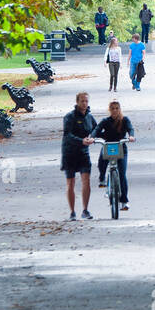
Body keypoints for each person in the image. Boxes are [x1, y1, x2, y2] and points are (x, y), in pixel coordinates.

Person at [94, 100, 136, 211]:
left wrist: (131, 136)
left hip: (121, 148)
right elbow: (97, 129)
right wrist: (92, 137)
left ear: (120, 109)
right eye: (112, 108)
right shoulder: (105, 121)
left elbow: (130, 129)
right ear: (109, 110)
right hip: (108, 146)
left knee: (122, 175)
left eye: (117, 108)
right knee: (102, 161)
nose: (115, 110)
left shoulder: (124, 120)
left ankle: (124, 201)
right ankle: (102, 178)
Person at [60, 92, 96, 220]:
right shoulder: (69, 117)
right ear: (77, 102)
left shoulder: (89, 117)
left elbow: (96, 130)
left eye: (86, 101)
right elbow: (67, 135)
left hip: (83, 152)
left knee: (86, 180)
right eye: (82, 101)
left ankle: (85, 210)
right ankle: (72, 212)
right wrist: (81, 141)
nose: (84, 103)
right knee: (71, 182)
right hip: (69, 152)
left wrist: (94, 138)